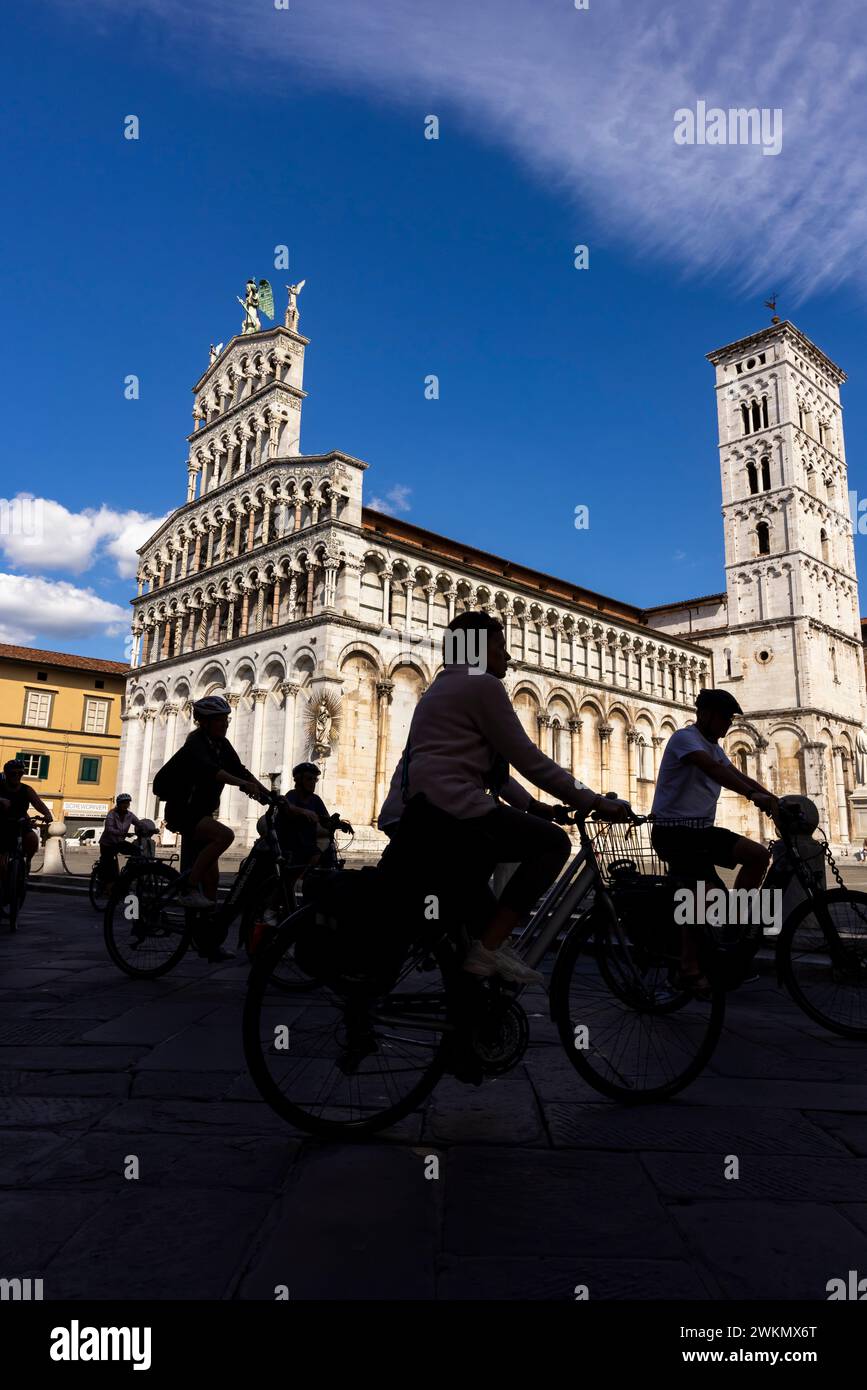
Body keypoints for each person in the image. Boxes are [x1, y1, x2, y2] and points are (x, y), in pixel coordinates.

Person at [379, 611, 632, 985]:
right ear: (477, 649)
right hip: (448, 812)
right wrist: (592, 801)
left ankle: (471, 992)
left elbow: (493, 771)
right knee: (552, 844)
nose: (508, 656)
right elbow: (528, 758)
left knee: (474, 920)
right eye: (500, 646)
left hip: (415, 814)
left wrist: (535, 807)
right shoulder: (480, 684)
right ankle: (488, 952)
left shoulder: (442, 687)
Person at [650, 688, 779, 994]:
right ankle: (688, 969)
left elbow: (736, 774)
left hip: (700, 833)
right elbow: (711, 769)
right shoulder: (685, 739)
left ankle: (731, 930)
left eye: (730, 719)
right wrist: (753, 796)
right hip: (674, 832)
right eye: (724, 718)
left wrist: (776, 801)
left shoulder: (714, 747)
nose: (728, 725)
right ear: (705, 715)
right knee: (704, 896)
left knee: (758, 856)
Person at [161, 694, 270, 914]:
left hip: (202, 813)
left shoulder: (221, 744)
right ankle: (188, 888)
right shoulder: (195, 745)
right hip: (183, 812)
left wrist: (269, 794)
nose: (225, 724)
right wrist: (243, 784)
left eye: (226, 719)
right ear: (205, 722)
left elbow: (239, 770)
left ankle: (207, 930)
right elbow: (213, 771)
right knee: (225, 836)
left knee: (212, 880)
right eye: (219, 720)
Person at [276, 762, 352, 876]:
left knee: (326, 857)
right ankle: (300, 880)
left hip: (308, 843)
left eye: (315, 779)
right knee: (315, 854)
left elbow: (324, 819)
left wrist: (338, 823)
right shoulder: (291, 796)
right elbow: (288, 808)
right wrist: (304, 812)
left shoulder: (315, 799)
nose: (313, 782)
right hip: (291, 843)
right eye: (309, 779)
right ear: (299, 780)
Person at [0, 758, 51, 873]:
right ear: (7, 774)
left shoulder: (26, 789)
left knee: (32, 839)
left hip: (21, 821)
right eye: (13, 773)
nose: (17, 776)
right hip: (2, 822)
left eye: (20, 773)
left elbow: (38, 803)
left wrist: (47, 814)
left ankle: (28, 861)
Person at [98, 793, 141, 884]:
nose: (126, 805)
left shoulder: (130, 815)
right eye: (123, 803)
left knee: (137, 851)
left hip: (119, 842)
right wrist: (123, 833)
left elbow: (139, 823)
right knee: (109, 867)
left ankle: (128, 872)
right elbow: (109, 829)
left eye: (127, 803)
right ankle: (106, 885)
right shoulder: (112, 814)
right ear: (118, 804)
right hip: (108, 843)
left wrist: (151, 829)